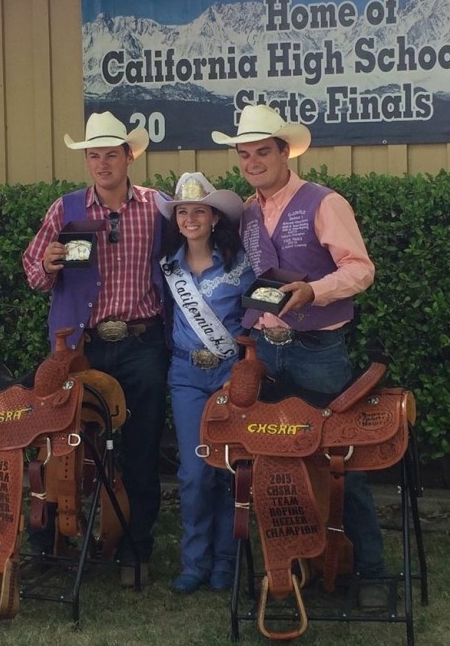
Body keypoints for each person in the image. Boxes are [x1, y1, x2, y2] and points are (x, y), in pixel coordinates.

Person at [211, 104, 389, 609]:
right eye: (244, 154)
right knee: (270, 465)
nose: (252, 162)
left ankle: (370, 570)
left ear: (284, 152)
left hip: (316, 349)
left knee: (340, 461)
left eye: (261, 152)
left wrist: (313, 291)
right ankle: (287, 570)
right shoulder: (245, 212)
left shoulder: (324, 202)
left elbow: (360, 270)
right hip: (265, 349)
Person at [22, 111, 169, 587]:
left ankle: (135, 547)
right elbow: (34, 275)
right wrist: (48, 263)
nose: (102, 163)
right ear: (86, 160)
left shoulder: (159, 208)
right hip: (79, 346)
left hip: (141, 341)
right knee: (58, 444)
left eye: (110, 154)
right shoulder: (63, 209)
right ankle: (47, 540)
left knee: (142, 448)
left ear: (129, 157)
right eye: (93, 155)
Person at [154, 172, 255, 594]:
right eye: (183, 212)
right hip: (186, 376)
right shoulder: (166, 267)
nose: (190, 218)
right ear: (176, 219)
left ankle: (226, 561)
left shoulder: (241, 264)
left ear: (214, 217)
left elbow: (258, 312)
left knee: (230, 469)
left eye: (198, 211)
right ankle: (195, 562)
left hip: (230, 375)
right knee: (195, 473)